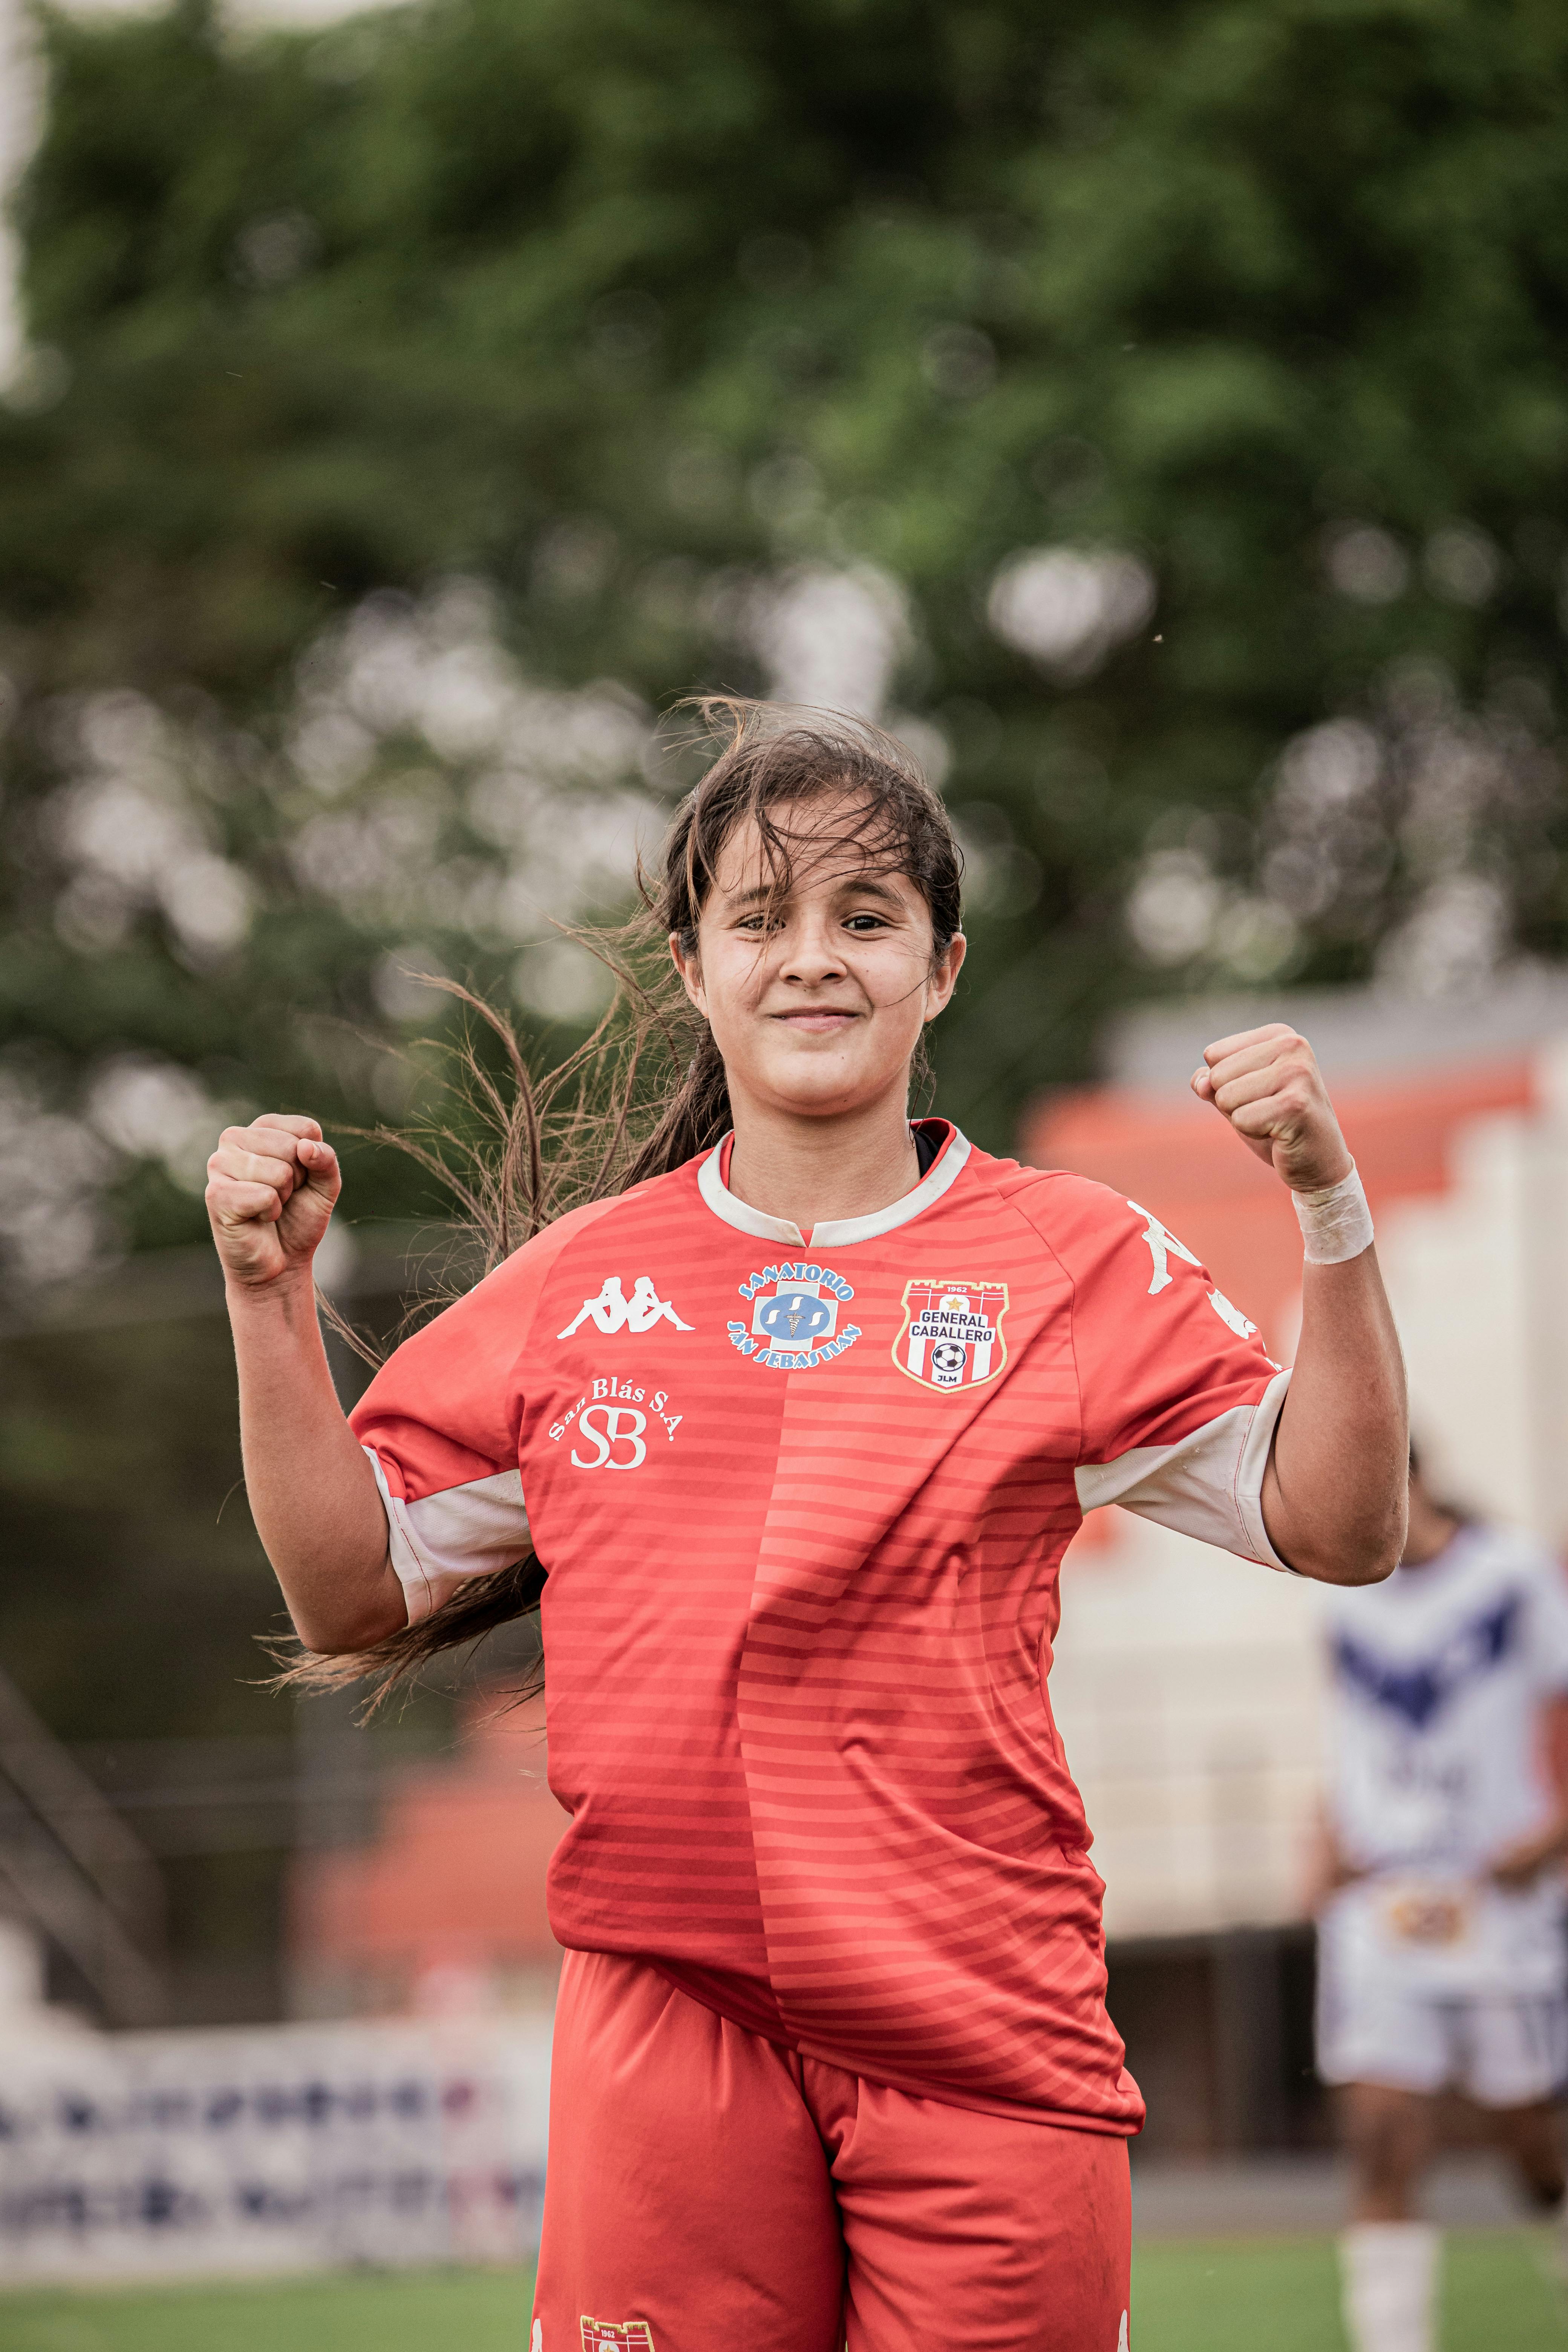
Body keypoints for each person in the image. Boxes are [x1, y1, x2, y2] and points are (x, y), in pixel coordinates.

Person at [205, 704, 1407, 2352]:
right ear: (691, 971)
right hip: (667, 2020)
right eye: (758, 920)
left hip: (980, 2023)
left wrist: (1328, 1209)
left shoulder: (1066, 1258)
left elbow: (1342, 1526)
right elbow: (351, 1590)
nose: (812, 960)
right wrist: (267, 1304)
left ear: (942, 967)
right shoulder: (577, 1290)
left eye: (864, 917)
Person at [1315, 1448, 1568, 2352]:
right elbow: (1340, 1735)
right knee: (1382, 2132)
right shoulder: (1333, 1589)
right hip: (1381, 1902)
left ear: (1409, 1481)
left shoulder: (1509, 1575)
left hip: (1495, 1894)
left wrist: (1551, 1834)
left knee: (1527, 2138)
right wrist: (1318, 1849)